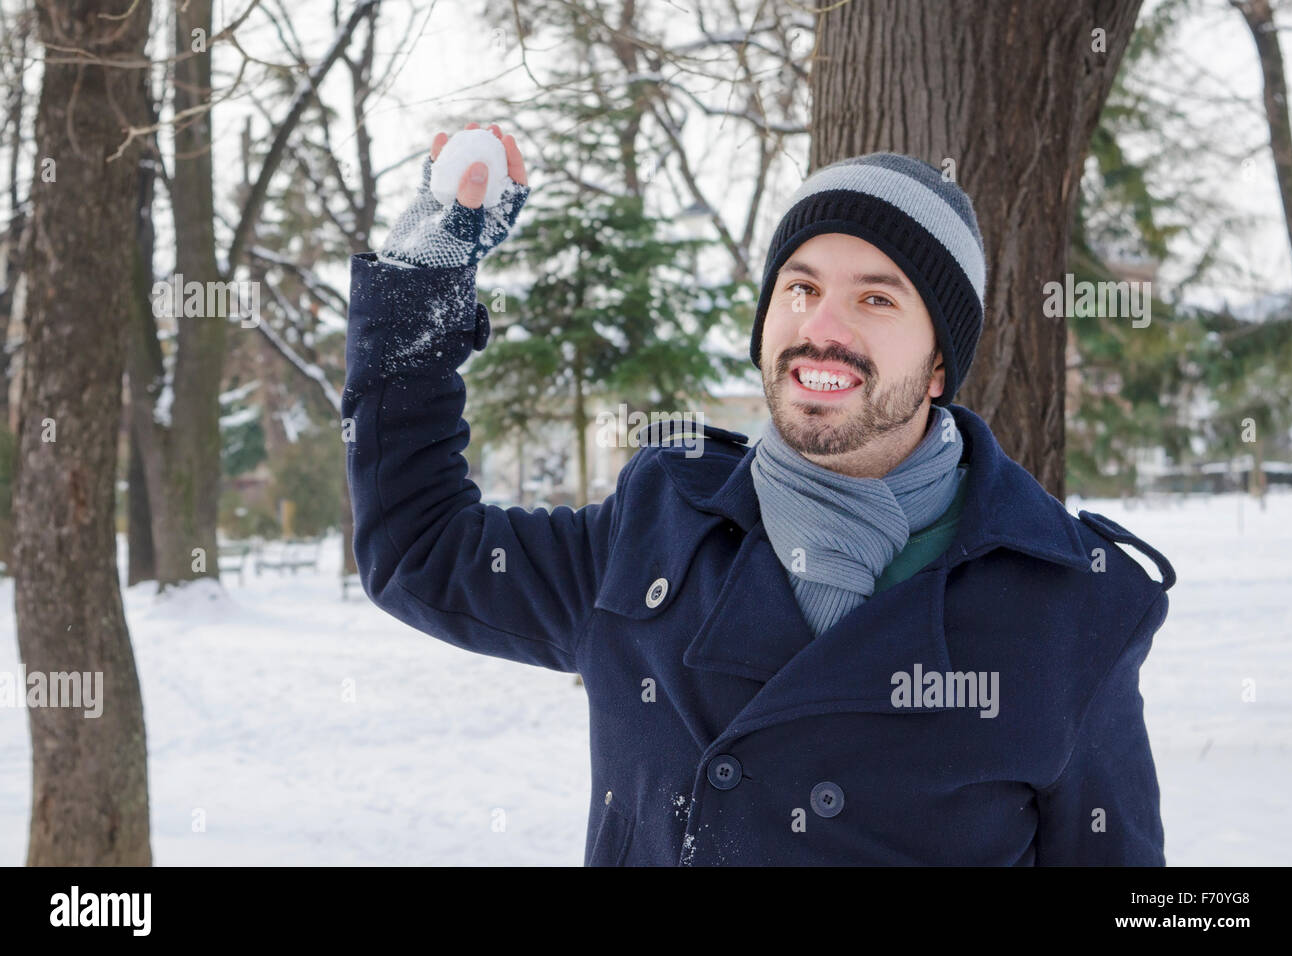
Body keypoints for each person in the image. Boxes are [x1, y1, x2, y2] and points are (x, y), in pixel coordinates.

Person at [344, 122, 1177, 866]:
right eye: (801, 287)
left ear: (937, 367)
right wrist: (426, 276)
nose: (825, 327)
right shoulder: (657, 528)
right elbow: (420, 550)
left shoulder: (1069, 609)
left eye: (877, 298)